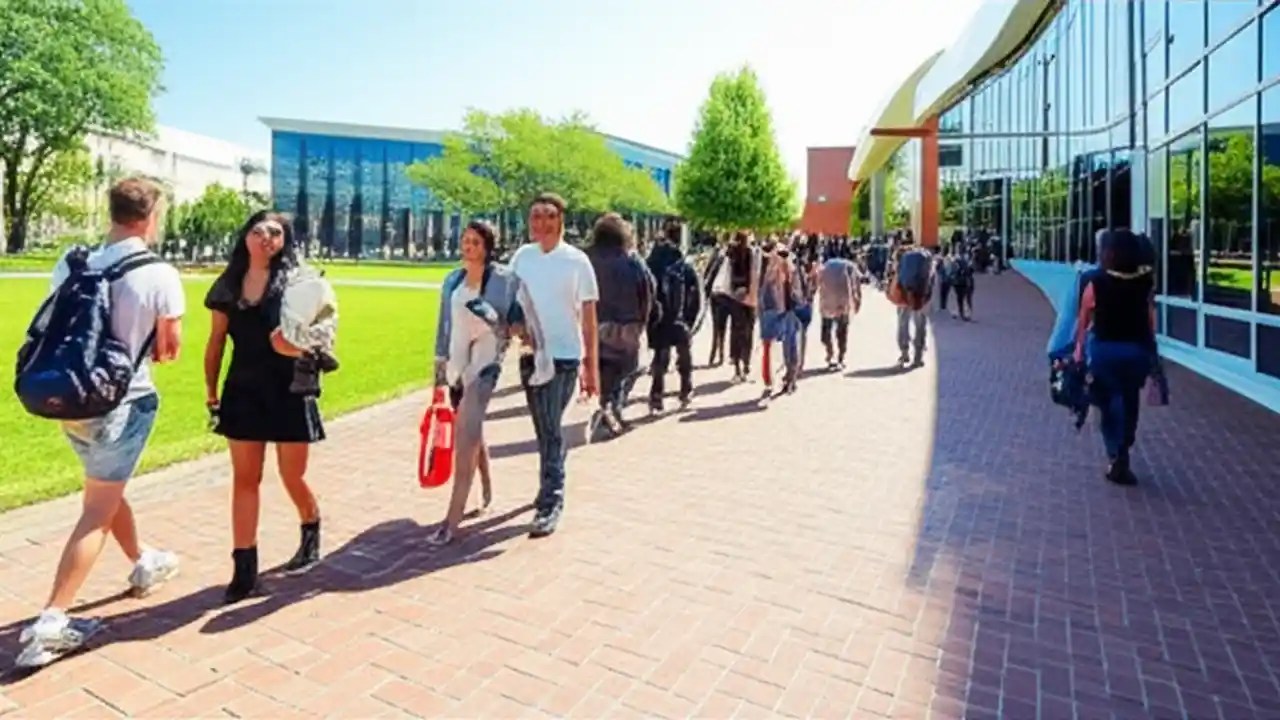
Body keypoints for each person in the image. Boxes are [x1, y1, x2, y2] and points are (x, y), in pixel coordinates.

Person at [15, 178, 184, 669]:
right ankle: (52, 620)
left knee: (104, 490)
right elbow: (167, 350)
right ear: (152, 216)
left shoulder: (74, 259)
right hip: (122, 400)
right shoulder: (158, 273)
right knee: (97, 510)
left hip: (68, 396)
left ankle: (143, 562)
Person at [203, 211, 330, 604]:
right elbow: (216, 342)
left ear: (284, 241)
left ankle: (311, 525)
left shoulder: (299, 284)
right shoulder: (228, 285)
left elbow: (320, 340)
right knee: (245, 479)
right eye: (257, 231)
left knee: (292, 475)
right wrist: (211, 392)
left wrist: (292, 346)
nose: (265, 238)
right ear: (245, 238)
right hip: (243, 389)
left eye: (274, 233)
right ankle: (244, 568)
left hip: (290, 387)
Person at [428, 220, 545, 545]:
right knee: (471, 425)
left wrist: (516, 330)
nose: (469, 247)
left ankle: (451, 521)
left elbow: (520, 319)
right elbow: (444, 327)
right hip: (456, 365)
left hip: (486, 364)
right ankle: (487, 486)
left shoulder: (506, 281)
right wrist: (438, 374)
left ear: (488, 247)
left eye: (476, 242)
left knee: (465, 434)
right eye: (466, 241)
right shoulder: (452, 280)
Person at [509, 192, 599, 538]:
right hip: (532, 356)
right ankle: (551, 481)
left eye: (548, 216)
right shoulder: (522, 257)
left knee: (550, 428)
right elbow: (511, 303)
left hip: (563, 355)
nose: (541, 223)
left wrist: (591, 367)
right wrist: (517, 327)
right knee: (543, 429)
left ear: (561, 220)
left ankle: (551, 501)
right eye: (535, 216)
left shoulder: (577, 261)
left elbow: (589, 317)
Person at [1074, 229, 1156, 485]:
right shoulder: (1145, 281)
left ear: (1107, 252)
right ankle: (1125, 443)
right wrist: (1151, 350)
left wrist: (1078, 349)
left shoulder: (1095, 280)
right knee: (1130, 400)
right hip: (1136, 351)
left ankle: (1116, 452)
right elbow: (1151, 319)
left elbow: (1085, 318)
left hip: (1105, 352)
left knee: (1107, 403)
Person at [585, 213, 654, 437]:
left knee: (603, 371)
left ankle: (607, 407)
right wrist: (644, 321)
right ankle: (612, 408)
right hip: (626, 326)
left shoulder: (585, 259)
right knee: (627, 370)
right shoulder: (631, 260)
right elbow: (647, 291)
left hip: (593, 325)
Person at [646, 220, 702, 411]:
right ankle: (685, 390)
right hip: (679, 318)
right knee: (684, 354)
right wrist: (691, 320)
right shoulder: (682, 263)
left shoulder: (651, 261)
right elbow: (695, 294)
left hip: (659, 318)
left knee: (661, 356)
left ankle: (656, 395)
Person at [758, 242, 803, 396]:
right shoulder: (779, 270)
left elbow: (798, 293)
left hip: (781, 312)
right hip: (779, 312)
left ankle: (787, 379)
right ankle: (782, 379)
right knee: (781, 346)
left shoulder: (785, 270)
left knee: (783, 346)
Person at [888, 242, 934, 368]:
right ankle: (918, 356)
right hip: (921, 296)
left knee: (903, 323)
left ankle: (904, 353)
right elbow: (931, 277)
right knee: (920, 325)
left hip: (904, 294)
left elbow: (894, 273)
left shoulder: (901, 255)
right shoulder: (926, 257)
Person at [724, 231, 761, 382]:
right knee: (748, 331)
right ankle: (746, 364)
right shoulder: (751, 253)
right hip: (749, 297)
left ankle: (737, 366)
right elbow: (755, 273)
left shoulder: (731, 253)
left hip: (735, 297)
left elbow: (728, 274)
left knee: (736, 331)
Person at [818, 251, 862, 370]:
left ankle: (830, 354)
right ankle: (841, 358)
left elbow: (817, 281)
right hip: (843, 303)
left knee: (826, 331)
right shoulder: (851, 266)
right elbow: (857, 286)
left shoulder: (825, 265)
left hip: (827, 302)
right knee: (842, 332)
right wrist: (858, 301)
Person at [703, 237, 733, 367]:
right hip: (721, 295)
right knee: (721, 326)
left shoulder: (720, 257)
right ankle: (719, 353)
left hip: (719, 295)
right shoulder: (722, 257)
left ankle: (716, 353)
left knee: (719, 326)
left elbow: (707, 274)